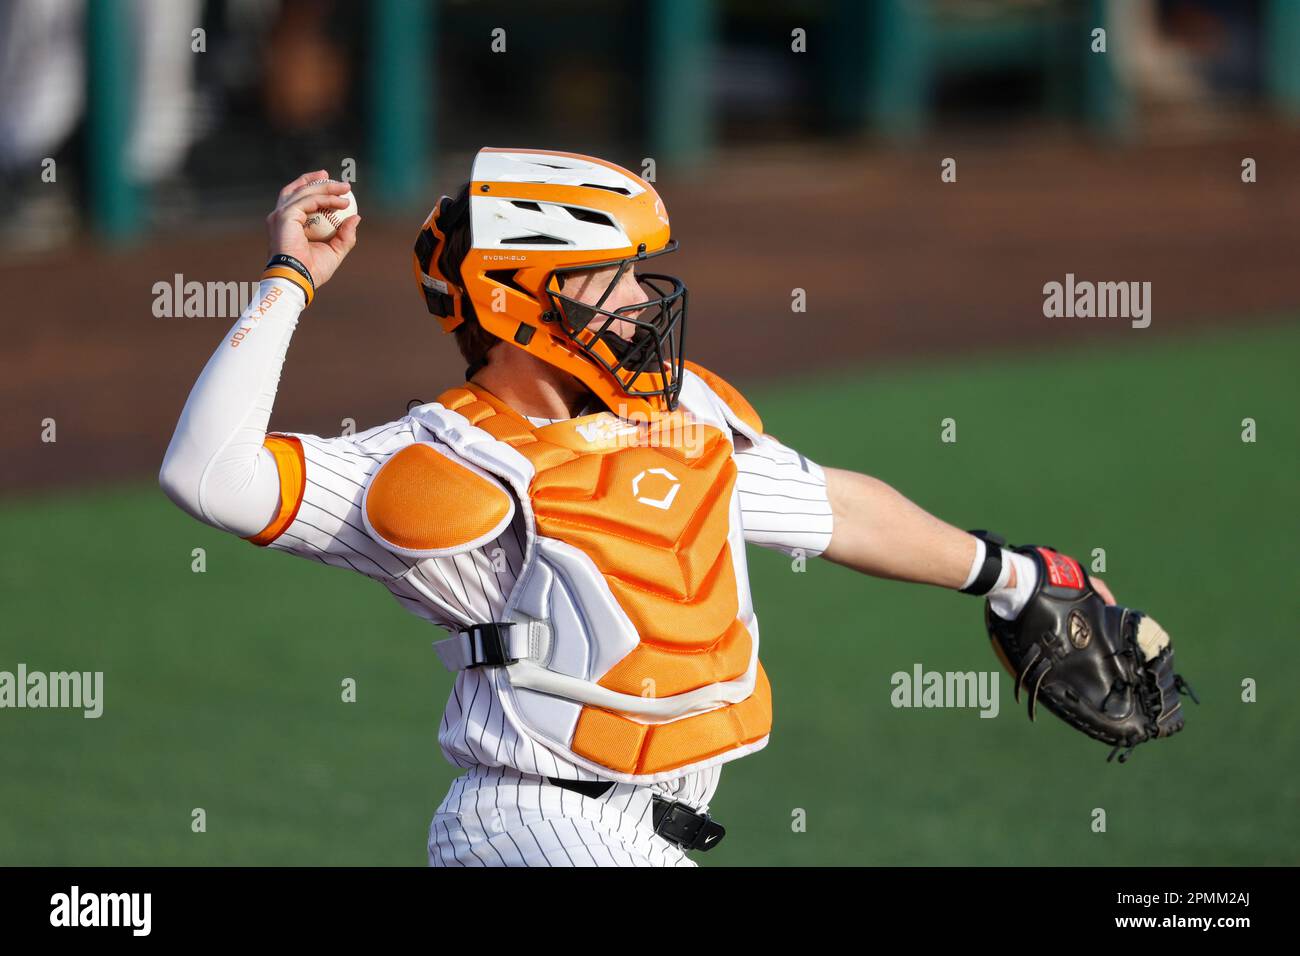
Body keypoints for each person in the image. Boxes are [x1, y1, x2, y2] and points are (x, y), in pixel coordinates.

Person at [160, 147, 1118, 867]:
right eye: (607, 277)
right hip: (533, 826)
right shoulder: (435, 458)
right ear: (519, 302)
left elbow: (835, 510)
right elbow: (208, 475)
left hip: (647, 836)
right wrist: (290, 282)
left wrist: (1017, 577)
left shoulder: (682, 414)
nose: (641, 297)